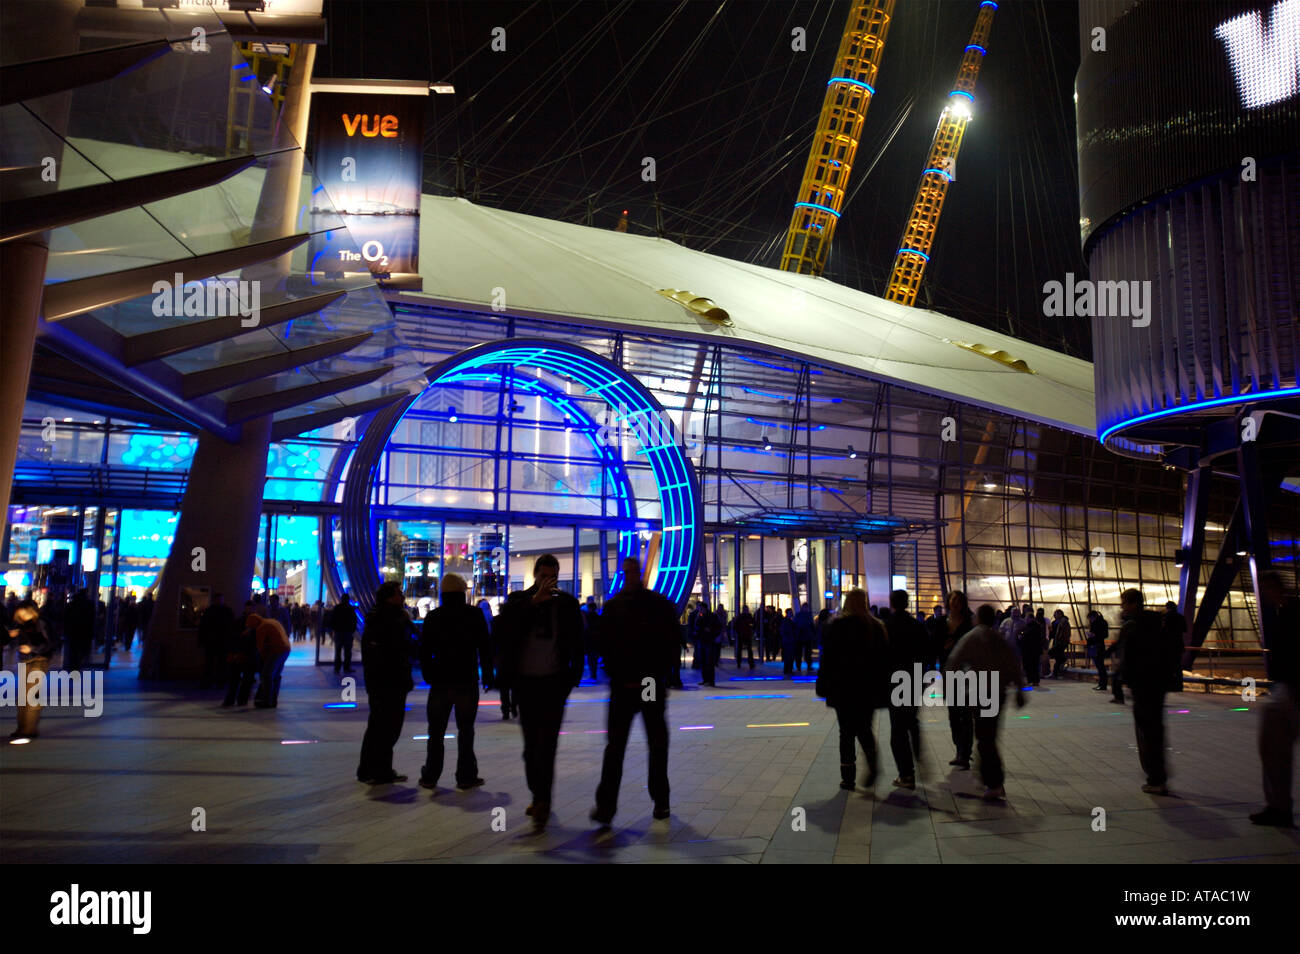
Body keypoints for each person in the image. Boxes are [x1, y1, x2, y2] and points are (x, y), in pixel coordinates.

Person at [496, 555, 586, 829]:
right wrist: (534, 603)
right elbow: (503, 630)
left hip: (554, 684)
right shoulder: (518, 601)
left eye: (553, 576)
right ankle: (538, 793)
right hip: (526, 684)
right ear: (535, 575)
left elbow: (579, 642)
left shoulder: (567, 605)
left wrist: (574, 678)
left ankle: (543, 801)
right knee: (530, 747)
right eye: (544, 575)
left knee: (547, 746)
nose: (548, 581)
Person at [591, 558, 678, 825]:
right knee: (652, 742)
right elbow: (671, 643)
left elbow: (603, 644)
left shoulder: (615, 607)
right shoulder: (657, 605)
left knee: (619, 746)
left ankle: (607, 807)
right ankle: (659, 800)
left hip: (627, 683)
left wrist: (618, 672)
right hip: (645, 682)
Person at [418, 574, 493, 792]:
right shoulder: (474, 615)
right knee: (466, 730)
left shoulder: (433, 617)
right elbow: (485, 649)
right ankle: (466, 776)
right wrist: (488, 676)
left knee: (436, 731)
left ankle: (431, 775)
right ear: (462, 593)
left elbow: (424, 651)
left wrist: (429, 675)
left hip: (441, 681)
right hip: (466, 679)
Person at [946, 603, 1027, 800]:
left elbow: (953, 663)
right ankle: (988, 777)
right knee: (988, 735)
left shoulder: (972, 637)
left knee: (985, 738)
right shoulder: (999, 637)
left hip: (981, 694)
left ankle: (994, 782)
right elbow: (1013, 665)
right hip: (998, 694)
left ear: (978, 618)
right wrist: (1019, 690)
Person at [816, 589, 891, 790]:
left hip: (843, 687)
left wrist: (822, 684)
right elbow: (884, 662)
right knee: (864, 728)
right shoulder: (876, 627)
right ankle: (873, 762)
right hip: (867, 688)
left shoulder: (838, 626)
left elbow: (828, 659)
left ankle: (848, 776)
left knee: (846, 732)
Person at [1116, 589, 1181, 795]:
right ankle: (1157, 774)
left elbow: (1128, 656)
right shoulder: (1157, 624)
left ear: (1134, 603)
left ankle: (1156, 778)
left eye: (1124, 603)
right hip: (1157, 683)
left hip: (1143, 685)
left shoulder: (1134, 626)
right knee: (1155, 730)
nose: (1122, 607)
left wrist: (1126, 678)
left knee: (1147, 732)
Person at [357, 581, 416, 784]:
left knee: (377, 725)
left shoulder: (377, 618)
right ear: (390, 598)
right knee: (388, 727)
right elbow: (403, 648)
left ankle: (369, 769)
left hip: (380, 681)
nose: (402, 597)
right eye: (399, 594)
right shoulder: (391, 620)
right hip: (391, 681)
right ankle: (379, 770)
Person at [1253, 571, 1300, 828]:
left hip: (1290, 688)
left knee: (1274, 748)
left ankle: (1279, 807)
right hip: (1285, 687)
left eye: (1266, 587)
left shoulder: (1291, 611)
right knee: (1274, 749)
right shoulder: (1285, 610)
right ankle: (1278, 806)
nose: (1263, 593)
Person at [884, 589, 927, 788]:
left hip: (894, 681)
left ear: (892, 603)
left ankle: (906, 773)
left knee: (897, 730)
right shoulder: (917, 626)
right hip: (914, 678)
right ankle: (918, 753)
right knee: (911, 720)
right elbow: (926, 654)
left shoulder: (887, 626)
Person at [7, 599, 59, 739]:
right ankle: (22, 728)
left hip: (39, 659)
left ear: (30, 610)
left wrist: (32, 648)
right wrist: (14, 636)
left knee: (30, 695)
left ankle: (28, 729)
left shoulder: (41, 622)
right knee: (23, 697)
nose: (21, 616)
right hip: (25, 659)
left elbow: (50, 643)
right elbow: (16, 643)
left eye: (23, 613)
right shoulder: (22, 624)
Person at [939, 591, 976, 769]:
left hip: (966, 673)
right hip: (949, 672)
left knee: (965, 714)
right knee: (953, 713)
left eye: (958, 601)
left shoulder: (969, 623)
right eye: (952, 600)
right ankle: (959, 748)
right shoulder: (942, 623)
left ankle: (965, 752)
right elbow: (934, 645)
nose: (955, 603)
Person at [250, 611, 291, 708]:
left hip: (277, 650)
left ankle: (267, 701)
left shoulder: (261, 627)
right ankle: (273, 700)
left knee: (266, 675)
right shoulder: (272, 621)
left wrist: (263, 661)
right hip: (286, 649)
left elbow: (260, 647)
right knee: (276, 675)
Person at [197, 592, 236, 689]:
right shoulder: (226, 611)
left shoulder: (210, 611)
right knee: (220, 662)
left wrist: (201, 640)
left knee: (211, 662)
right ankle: (220, 681)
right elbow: (231, 626)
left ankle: (210, 681)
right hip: (220, 641)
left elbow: (203, 626)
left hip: (212, 641)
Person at [221, 607, 258, 707]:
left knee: (235, 679)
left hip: (239, 653)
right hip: (247, 654)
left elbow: (231, 638)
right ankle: (241, 700)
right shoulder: (254, 625)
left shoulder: (238, 622)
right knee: (245, 679)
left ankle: (231, 700)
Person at [63, 588, 96, 672]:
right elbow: (92, 619)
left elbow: (66, 618)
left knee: (73, 650)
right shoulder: (89, 604)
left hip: (73, 631)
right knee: (82, 649)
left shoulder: (72, 604)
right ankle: (78, 665)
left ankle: (73, 666)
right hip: (85, 631)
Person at [696, 602, 722, 687]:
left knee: (709, 661)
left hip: (709, 641)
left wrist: (711, 631)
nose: (699, 610)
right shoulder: (699, 616)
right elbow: (697, 627)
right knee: (703, 661)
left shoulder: (712, 617)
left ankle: (710, 680)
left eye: (700, 608)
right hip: (702, 641)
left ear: (704, 608)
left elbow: (718, 627)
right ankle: (705, 679)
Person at [331, 592, 358, 673]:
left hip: (338, 632)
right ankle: (346, 668)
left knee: (338, 651)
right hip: (348, 632)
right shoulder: (350, 609)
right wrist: (352, 630)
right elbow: (354, 620)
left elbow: (333, 619)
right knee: (347, 651)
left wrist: (335, 629)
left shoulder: (337, 608)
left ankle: (337, 668)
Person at [1018, 609, 1044, 687]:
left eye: (1026, 618)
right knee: (1032, 665)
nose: (1025, 620)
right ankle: (1033, 680)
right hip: (1033, 650)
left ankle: (1033, 680)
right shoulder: (1035, 626)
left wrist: (1022, 635)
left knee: (1031, 665)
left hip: (1030, 650)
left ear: (1030, 618)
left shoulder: (1033, 626)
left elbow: (1028, 636)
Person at [1086, 610, 1110, 690]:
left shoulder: (1100, 623)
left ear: (1094, 616)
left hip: (1097, 645)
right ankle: (1102, 683)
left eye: (1090, 618)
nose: (1090, 620)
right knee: (1099, 665)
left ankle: (1103, 684)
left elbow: (1104, 635)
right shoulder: (1099, 622)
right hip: (1096, 645)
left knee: (1100, 665)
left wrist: (1093, 635)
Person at [582, 596, 601, 681]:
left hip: (589, 640)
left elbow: (585, 627)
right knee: (594, 658)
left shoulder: (586, 616)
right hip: (596, 640)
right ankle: (594, 673)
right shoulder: (598, 617)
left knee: (590, 658)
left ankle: (592, 673)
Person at [1047, 609, 1071, 678]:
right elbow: (1054, 632)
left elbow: (1065, 632)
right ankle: (1055, 672)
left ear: (1060, 614)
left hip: (1061, 642)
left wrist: (1062, 640)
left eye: (1056, 614)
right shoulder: (1055, 622)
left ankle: (1055, 672)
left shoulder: (1063, 622)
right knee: (1058, 657)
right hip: (1057, 641)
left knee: (1054, 654)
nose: (1054, 615)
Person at [795, 604, 815, 673]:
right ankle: (802, 666)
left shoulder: (800, 615)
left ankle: (801, 666)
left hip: (803, 636)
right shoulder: (807, 616)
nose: (806, 609)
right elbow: (812, 625)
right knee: (803, 653)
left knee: (804, 653)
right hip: (803, 636)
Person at [780, 608, 797, 676]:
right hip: (789, 641)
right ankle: (788, 669)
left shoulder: (787, 621)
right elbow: (787, 631)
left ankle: (787, 669)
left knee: (789, 656)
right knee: (789, 656)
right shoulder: (787, 622)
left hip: (788, 640)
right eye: (790, 613)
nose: (792, 614)